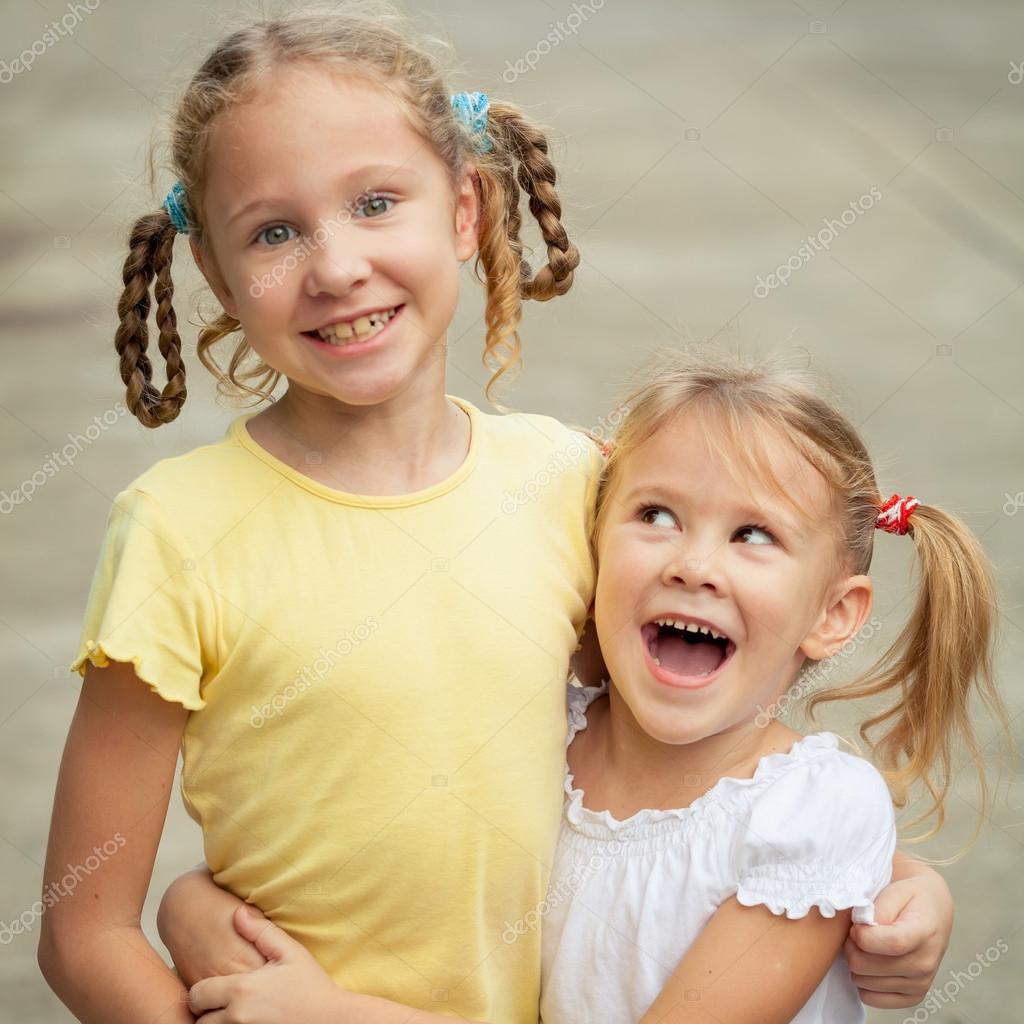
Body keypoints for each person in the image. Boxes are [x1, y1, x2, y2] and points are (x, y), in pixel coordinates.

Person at [36, 4, 953, 1020]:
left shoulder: (565, 484)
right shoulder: (177, 531)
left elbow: (677, 767)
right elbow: (85, 930)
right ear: (213, 269)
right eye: (275, 230)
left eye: (377, 202)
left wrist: (890, 879)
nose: (336, 266)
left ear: (466, 213)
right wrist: (189, 918)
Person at [172, 355, 965, 1024]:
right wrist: (192, 907)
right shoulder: (536, 734)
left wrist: (337, 1014)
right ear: (587, 552)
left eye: (752, 534)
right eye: (655, 513)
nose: (693, 564)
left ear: (833, 614)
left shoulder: (814, 813)